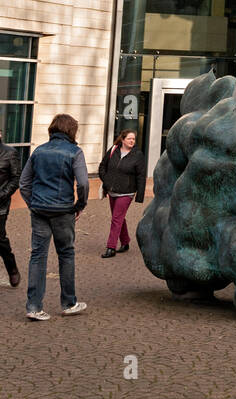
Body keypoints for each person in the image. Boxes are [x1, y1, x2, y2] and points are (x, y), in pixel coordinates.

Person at [18, 113, 88, 320]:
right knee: (66, 255)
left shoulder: (38, 151)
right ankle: (68, 303)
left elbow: (24, 183)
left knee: (37, 256)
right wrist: (79, 206)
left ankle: (33, 307)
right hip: (63, 211)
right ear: (71, 130)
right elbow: (83, 183)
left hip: (39, 210)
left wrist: (33, 203)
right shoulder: (75, 152)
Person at [98, 129, 146, 258]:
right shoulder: (114, 150)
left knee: (116, 219)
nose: (132, 141)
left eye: (134, 139)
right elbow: (102, 166)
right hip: (112, 191)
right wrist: (106, 181)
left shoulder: (138, 155)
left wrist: (140, 195)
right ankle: (125, 242)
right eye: (129, 138)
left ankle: (111, 247)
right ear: (123, 139)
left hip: (126, 192)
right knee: (118, 217)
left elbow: (141, 176)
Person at [0, 131, 21, 287]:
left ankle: (12, 268)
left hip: (0, 204)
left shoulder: (10, 153)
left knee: (0, 239)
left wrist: (2, 194)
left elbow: (16, 178)